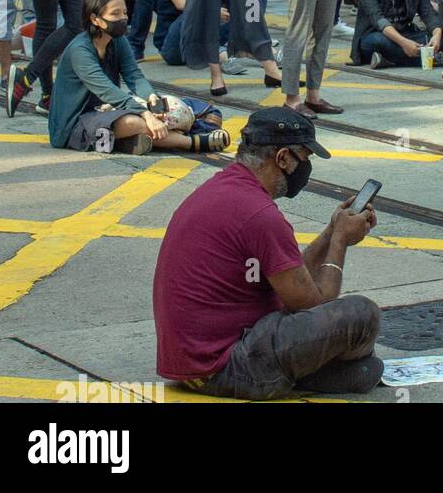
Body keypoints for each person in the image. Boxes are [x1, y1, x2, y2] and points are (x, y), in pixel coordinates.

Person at [153, 106, 383, 400]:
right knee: (363, 315)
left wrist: (330, 231)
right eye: (304, 160)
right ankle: (318, 372)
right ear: (283, 158)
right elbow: (315, 305)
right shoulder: (260, 214)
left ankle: (327, 371)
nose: (305, 170)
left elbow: (293, 281)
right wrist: (340, 241)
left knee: (363, 363)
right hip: (228, 365)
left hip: (196, 363)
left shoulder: (225, 189)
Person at [49, 0, 228, 155]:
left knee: (198, 110)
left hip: (107, 110)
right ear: (96, 19)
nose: (123, 18)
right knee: (136, 122)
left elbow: (134, 75)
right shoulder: (80, 50)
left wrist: (151, 98)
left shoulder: (117, 39)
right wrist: (145, 114)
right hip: (74, 125)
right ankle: (191, 142)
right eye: (115, 14)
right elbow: (107, 91)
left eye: (125, 13)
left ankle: (130, 141)